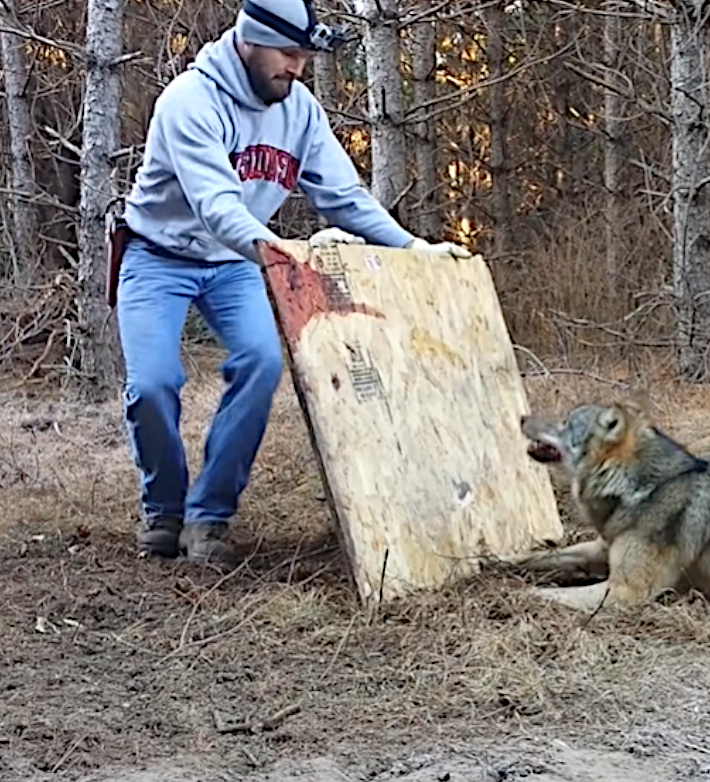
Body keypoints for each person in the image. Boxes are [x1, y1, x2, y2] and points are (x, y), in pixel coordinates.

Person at [114, 0, 471, 567]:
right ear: (249, 42)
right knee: (154, 383)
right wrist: (282, 255)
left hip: (235, 263)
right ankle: (164, 510)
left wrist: (412, 247)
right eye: (286, 54)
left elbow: (344, 196)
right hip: (159, 255)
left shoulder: (299, 110)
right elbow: (216, 206)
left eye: (304, 55)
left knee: (261, 364)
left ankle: (208, 517)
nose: (297, 67)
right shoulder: (189, 101)